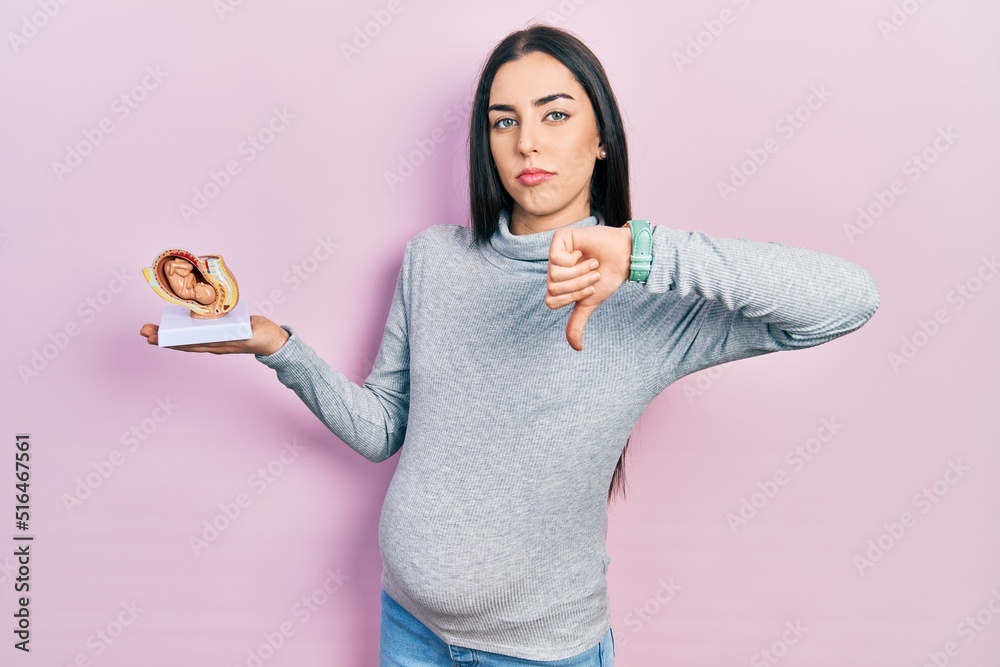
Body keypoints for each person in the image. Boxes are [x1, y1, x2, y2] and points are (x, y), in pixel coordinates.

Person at [139, 24, 880, 667]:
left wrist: (643, 254)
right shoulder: (434, 260)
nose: (526, 141)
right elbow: (381, 431)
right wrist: (278, 347)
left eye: (555, 115)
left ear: (601, 140)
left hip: (542, 652)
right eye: (503, 121)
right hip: (409, 630)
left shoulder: (650, 300)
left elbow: (847, 299)